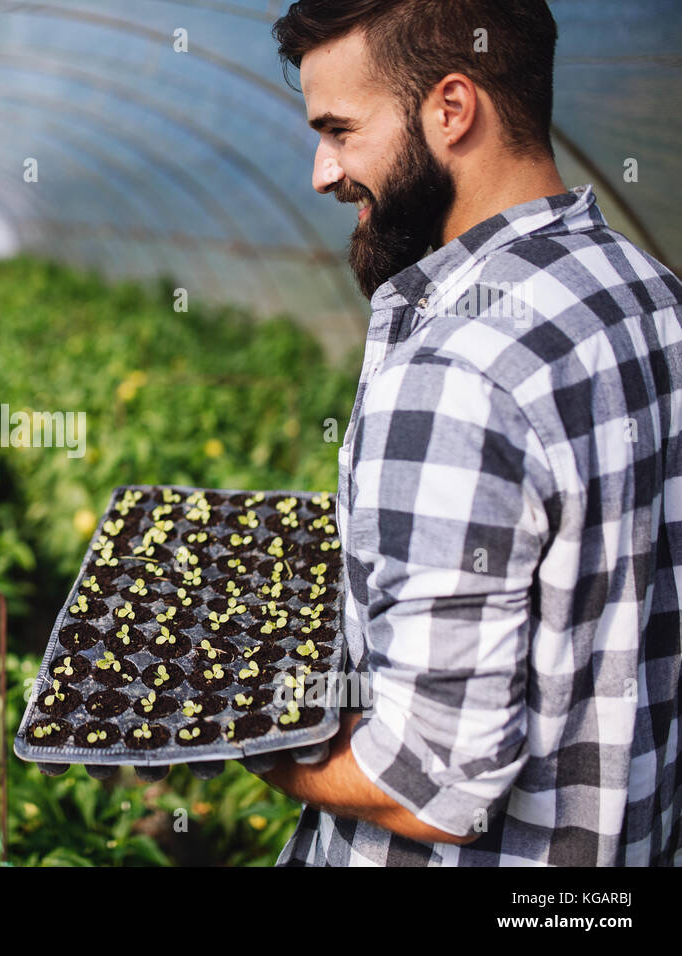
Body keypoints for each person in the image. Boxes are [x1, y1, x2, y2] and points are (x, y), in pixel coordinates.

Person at [262, 0, 682, 865]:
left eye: (340, 130)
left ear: (451, 109)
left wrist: (243, 734)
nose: (321, 171)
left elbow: (427, 785)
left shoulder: (454, 368)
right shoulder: (650, 294)